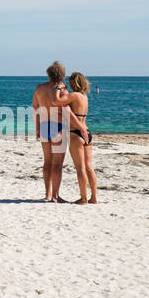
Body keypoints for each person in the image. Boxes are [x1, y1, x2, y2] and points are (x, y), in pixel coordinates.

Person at [31, 61, 70, 202]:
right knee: (57, 164)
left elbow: (35, 109)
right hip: (58, 127)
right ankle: (55, 195)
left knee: (47, 161)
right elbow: (67, 111)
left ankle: (47, 194)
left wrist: (37, 128)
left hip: (43, 126)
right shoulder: (62, 90)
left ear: (49, 74)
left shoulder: (39, 88)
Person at [62, 72, 99, 204]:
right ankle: (94, 197)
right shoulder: (84, 97)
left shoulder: (73, 96)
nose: (70, 84)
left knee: (80, 168)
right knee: (89, 166)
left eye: (71, 82)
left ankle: (83, 198)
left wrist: (61, 89)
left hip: (75, 133)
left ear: (75, 82)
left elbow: (57, 102)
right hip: (87, 132)